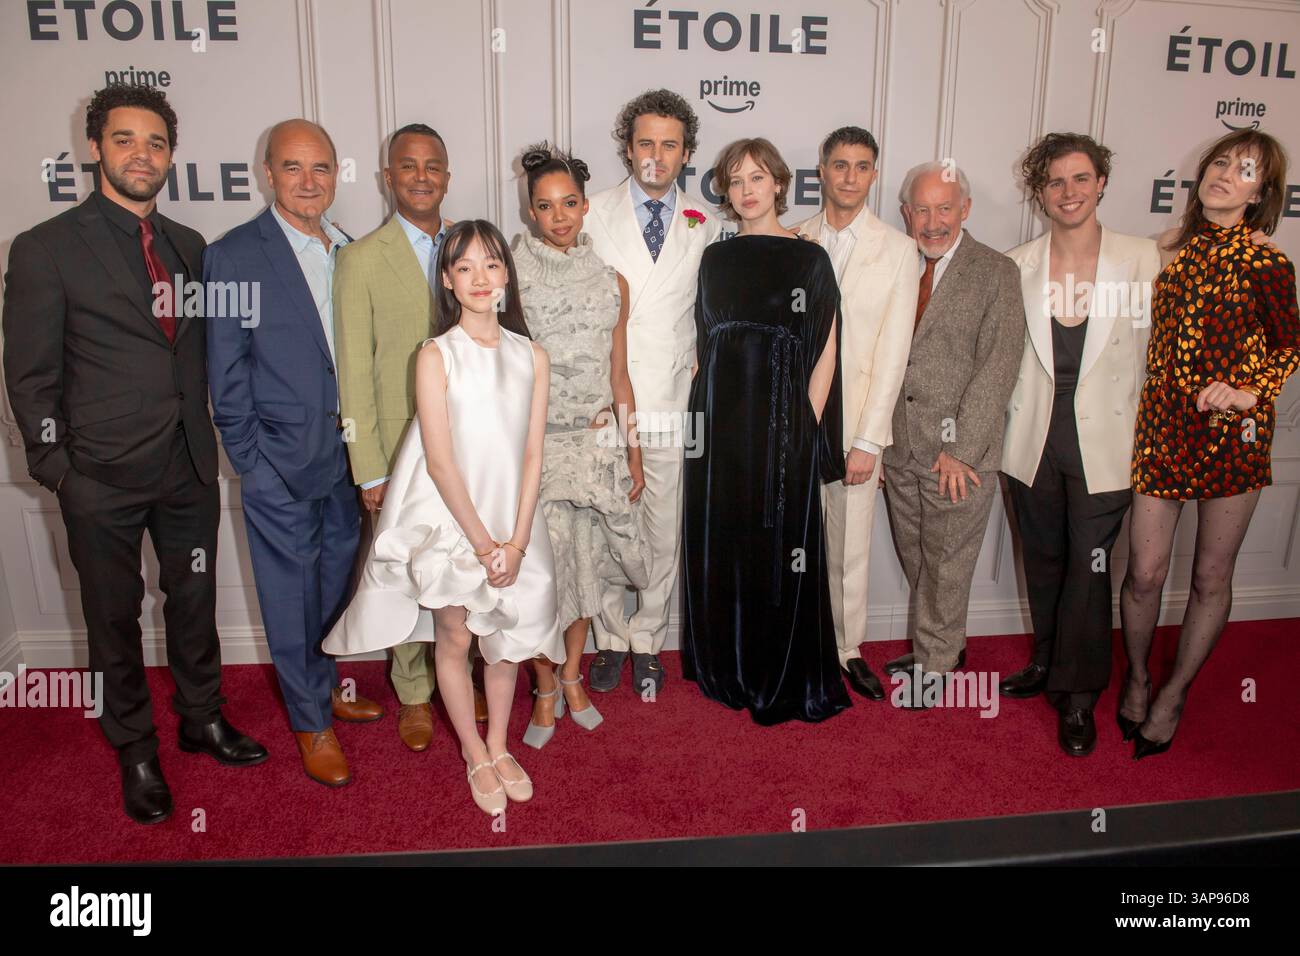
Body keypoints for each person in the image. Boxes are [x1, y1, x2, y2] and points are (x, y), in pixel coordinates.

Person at [2, 84, 266, 825]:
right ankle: (135, 749)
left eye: (154, 143)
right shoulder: (45, 248)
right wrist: (59, 474)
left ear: (170, 156)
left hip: (186, 467)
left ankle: (200, 718)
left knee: (192, 602)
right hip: (100, 481)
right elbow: (28, 378)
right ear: (95, 148)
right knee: (113, 618)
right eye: (124, 140)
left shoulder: (188, 245)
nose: (140, 155)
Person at [324, 220, 563, 814]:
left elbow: (535, 453)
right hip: (457, 524)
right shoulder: (435, 355)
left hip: (516, 525)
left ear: (506, 273)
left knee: (504, 642)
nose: (480, 277)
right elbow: (440, 460)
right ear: (449, 282)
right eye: (465, 267)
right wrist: (485, 547)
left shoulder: (532, 355)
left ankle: (502, 745)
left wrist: (519, 540)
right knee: (456, 636)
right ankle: (473, 752)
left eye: (490, 263)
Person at [206, 119, 384, 789]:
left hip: (349, 462)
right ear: (268, 174)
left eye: (320, 169)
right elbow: (224, 375)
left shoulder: (348, 247)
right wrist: (252, 462)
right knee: (289, 597)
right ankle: (311, 722)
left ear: (337, 174)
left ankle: (328, 687)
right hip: (278, 464)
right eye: (292, 168)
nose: (308, 182)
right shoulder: (232, 256)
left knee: (336, 588)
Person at [1120, 128, 1298, 758]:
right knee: (1142, 574)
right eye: (1221, 161)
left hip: (1234, 441)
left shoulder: (1268, 262)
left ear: (1261, 192)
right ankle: (1138, 676)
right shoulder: (1165, 249)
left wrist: (1252, 390)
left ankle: (1174, 694)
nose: (1226, 173)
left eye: (1245, 170)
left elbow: (1287, 345)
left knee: (1209, 576)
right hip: (1163, 431)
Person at [680, 138, 849, 725]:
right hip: (717, 424)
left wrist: (805, 425)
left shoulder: (809, 260)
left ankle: (780, 671)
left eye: (757, 177)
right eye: (735, 180)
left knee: (783, 549)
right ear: (725, 193)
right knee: (725, 537)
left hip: (783, 423)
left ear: (779, 183)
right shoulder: (715, 259)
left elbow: (826, 350)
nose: (747, 189)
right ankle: (724, 663)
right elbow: (704, 347)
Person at [1000, 133, 1160, 755]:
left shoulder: (1143, 258)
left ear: (1101, 184)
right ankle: (1045, 662)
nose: (1069, 192)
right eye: (1056, 182)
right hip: (1032, 439)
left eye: (1081, 179)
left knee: (1090, 569)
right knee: (1042, 560)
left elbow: (1160, 357)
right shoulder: (1016, 265)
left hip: (1110, 441)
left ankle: (1081, 694)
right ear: (1040, 192)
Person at [333, 123, 486, 752]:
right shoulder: (360, 258)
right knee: (405, 564)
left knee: (468, 564)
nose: (421, 176)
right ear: (387, 177)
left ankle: (468, 670)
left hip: (476, 446)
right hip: (400, 450)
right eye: (407, 166)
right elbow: (352, 368)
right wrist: (369, 467)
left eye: (433, 166)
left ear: (447, 176)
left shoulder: (477, 250)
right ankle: (414, 693)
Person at [582, 89, 722, 696]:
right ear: (627, 148)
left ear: (686, 152)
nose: (656, 156)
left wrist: (697, 362)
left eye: (669, 144)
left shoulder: (708, 223)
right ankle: (609, 638)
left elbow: (716, 311)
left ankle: (648, 640)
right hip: (604, 400)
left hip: (672, 401)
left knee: (663, 526)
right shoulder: (588, 213)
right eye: (645, 143)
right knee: (611, 520)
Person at [510, 144, 650, 748]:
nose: (559, 216)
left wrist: (634, 453)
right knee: (542, 578)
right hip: (533, 451)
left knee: (588, 572)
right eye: (545, 206)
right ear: (531, 212)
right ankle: (543, 690)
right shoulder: (507, 276)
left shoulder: (613, 282)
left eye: (569, 203)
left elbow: (621, 377)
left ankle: (571, 677)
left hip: (596, 454)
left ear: (586, 206)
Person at [881, 162, 1024, 704]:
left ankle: (937, 663)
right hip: (899, 446)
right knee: (917, 555)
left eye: (945, 208)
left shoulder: (995, 273)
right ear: (906, 213)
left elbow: (998, 366)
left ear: (965, 209)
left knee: (947, 563)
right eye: (922, 209)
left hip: (957, 454)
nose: (933, 221)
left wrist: (961, 450)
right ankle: (936, 644)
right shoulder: (898, 264)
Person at [794, 126, 919, 702]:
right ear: (821, 170)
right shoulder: (793, 239)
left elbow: (893, 354)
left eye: (861, 166)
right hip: (795, 421)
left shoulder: (897, 250)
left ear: (874, 174)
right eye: (839, 164)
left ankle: (845, 648)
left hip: (854, 428)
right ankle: (796, 641)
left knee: (848, 549)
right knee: (792, 540)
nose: (849, 176)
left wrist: (870, 440)